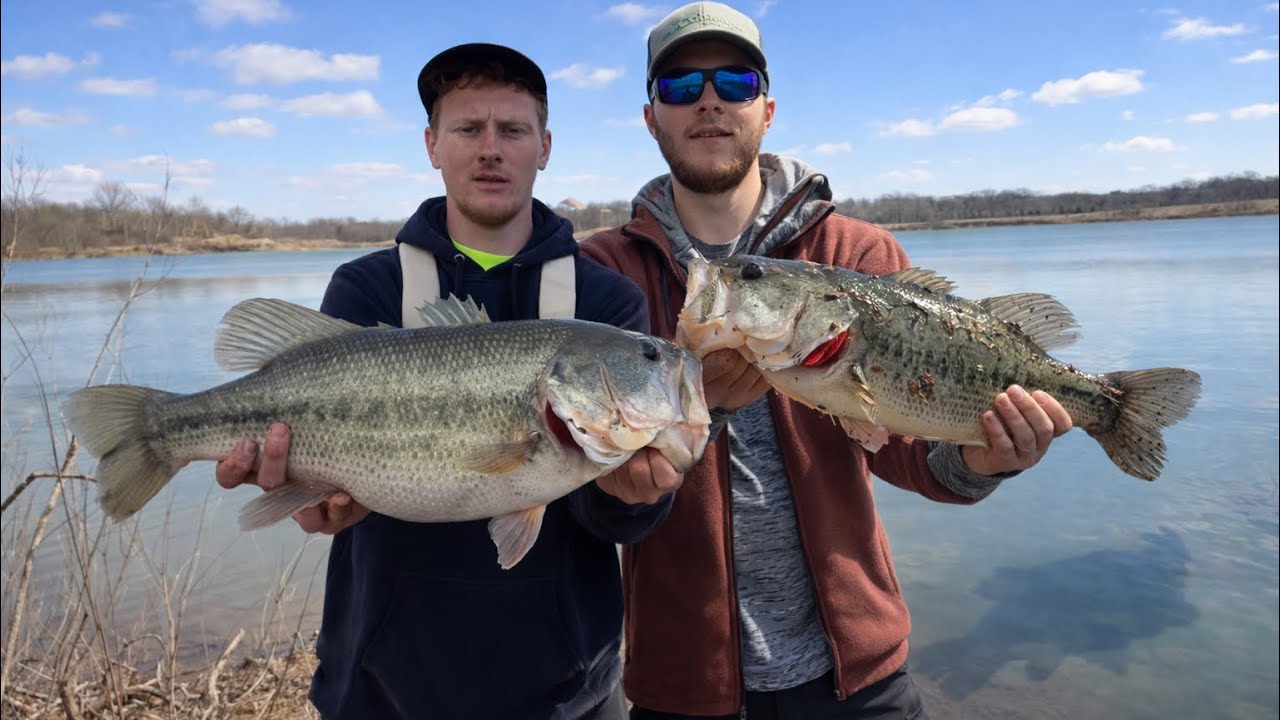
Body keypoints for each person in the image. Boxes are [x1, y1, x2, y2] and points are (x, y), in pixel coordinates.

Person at [580, 4, 1074, 718]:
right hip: (683, 681)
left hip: (859, 675)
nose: (710, 101)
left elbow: (905, 450)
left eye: (735, 82)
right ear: (651, 117)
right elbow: (594, 491)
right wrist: (699, 410)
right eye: (681, 87)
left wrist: (984, 461)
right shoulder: (602, 274)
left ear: (768, 109)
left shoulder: (857, 256)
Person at [215, 43, 680, 719]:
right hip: (380, 690)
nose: (490, 149)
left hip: (568, 696)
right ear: (433, 144)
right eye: (468, 129)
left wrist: (636, 496)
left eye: (513, 130)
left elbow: (613, 519)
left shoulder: (604, 307)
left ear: (544, 147)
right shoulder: (366, 286)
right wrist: (305, 498)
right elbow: (323, 491)